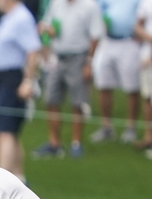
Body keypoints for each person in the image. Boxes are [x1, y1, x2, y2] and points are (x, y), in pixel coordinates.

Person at [31, 0, 103, 157]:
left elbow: (95, 35)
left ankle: (76, 143)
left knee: (77, 102)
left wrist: (89, 63)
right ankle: (54, 143)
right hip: (57, 56)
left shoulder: (89, 6)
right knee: (51, 99)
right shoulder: (56, 4)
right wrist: (46, 30)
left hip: (79, 57)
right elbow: (45, 24)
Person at [0, 0, 41, 182]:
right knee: (10, 132)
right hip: (2, 80)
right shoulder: (9, 18)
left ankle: (2, 182)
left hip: (11, 80)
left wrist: (28, 81)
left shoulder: (22, 18)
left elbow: (33, 51)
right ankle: (18, 178)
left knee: (5, 131)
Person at [90, 0, 143, 143]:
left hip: (128, 41)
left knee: (132, 87)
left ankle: (130, 127)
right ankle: (106, 127)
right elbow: (97, 13)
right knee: (103, 84)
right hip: (107, 41)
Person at [136, 0, 152, 153]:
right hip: (146, 56)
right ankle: (149, 137)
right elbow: (137, 26)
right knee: (147, 97)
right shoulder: (146, 2)